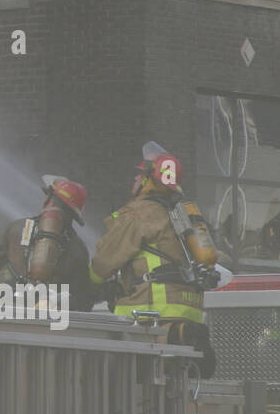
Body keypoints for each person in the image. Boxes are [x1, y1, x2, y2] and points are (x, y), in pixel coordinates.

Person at [90, 143, 217, 377]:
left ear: (150, 179)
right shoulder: (184, 214)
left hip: (150, 314)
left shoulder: (141, 212)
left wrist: (90, 284)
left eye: (140, 174)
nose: (135, 180)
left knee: (109, 376)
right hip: (188, 317)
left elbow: (102, 264)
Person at [0, 175, 98, 311]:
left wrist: (12, 274)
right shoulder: (78, 248)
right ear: (73, 214)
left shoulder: (18, 227)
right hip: (43, 321)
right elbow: (81, 296)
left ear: (49, 200)